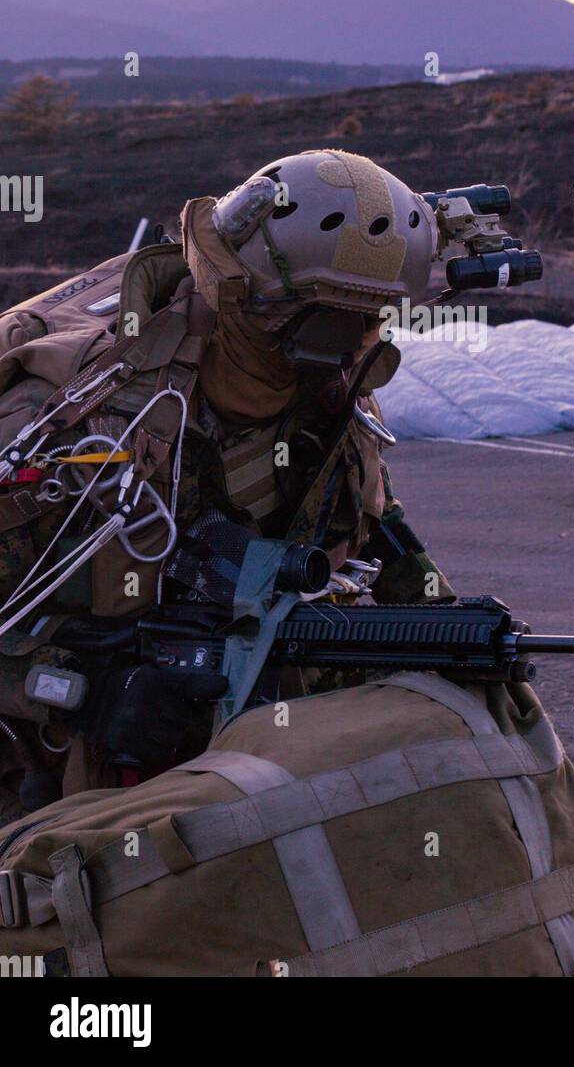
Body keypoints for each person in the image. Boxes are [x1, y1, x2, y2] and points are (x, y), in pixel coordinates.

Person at [0, 150, 454, 821]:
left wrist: (438, 619)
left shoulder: (332, 402)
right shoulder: (69, 425)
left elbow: (369, 522)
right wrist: (86, 692)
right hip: (53, 770)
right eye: (337, 319)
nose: (358, 341)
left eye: (376, 317)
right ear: (248, 300)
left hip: (246, 756)